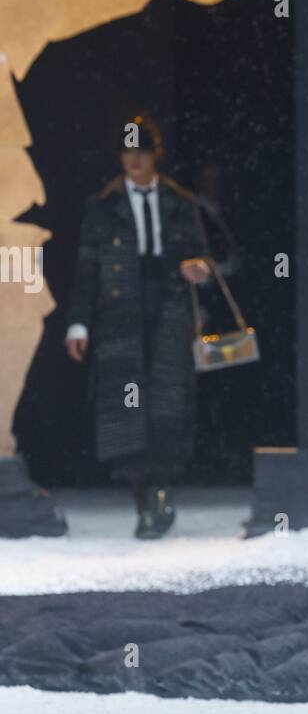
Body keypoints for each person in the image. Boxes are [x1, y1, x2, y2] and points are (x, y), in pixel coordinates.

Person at [66, 113, 211, 538]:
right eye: (126, 152)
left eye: (140, 151)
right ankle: (143, 499)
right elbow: (86, 271)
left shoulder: (179, 201)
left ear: (154, 155)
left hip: (169, 304)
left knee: (167, 399)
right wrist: (78, 324)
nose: (132, 160)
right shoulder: (103, 205)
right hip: (119, 314)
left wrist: (199, 267)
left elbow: (206, 254)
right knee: (123, 407)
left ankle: (161, 489)